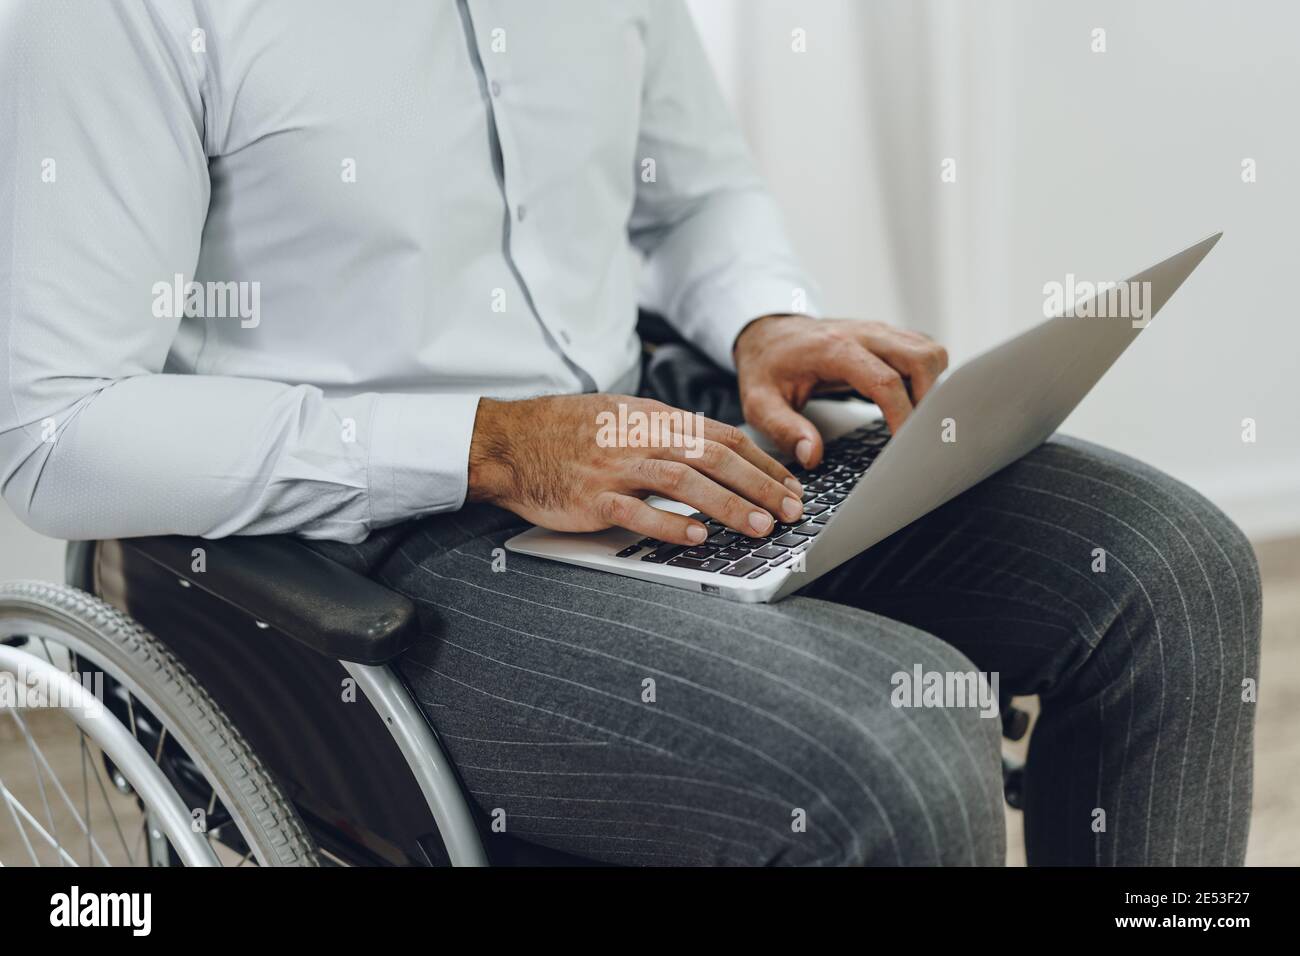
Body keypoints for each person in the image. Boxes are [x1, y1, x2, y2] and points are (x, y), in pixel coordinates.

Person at [0, 0, 1259, 865]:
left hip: (653, 435)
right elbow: (53, 432)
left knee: (1172, 572)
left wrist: (760, 319)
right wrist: (493, 442)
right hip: (371, 542)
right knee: (889, 744)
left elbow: (692, 192)